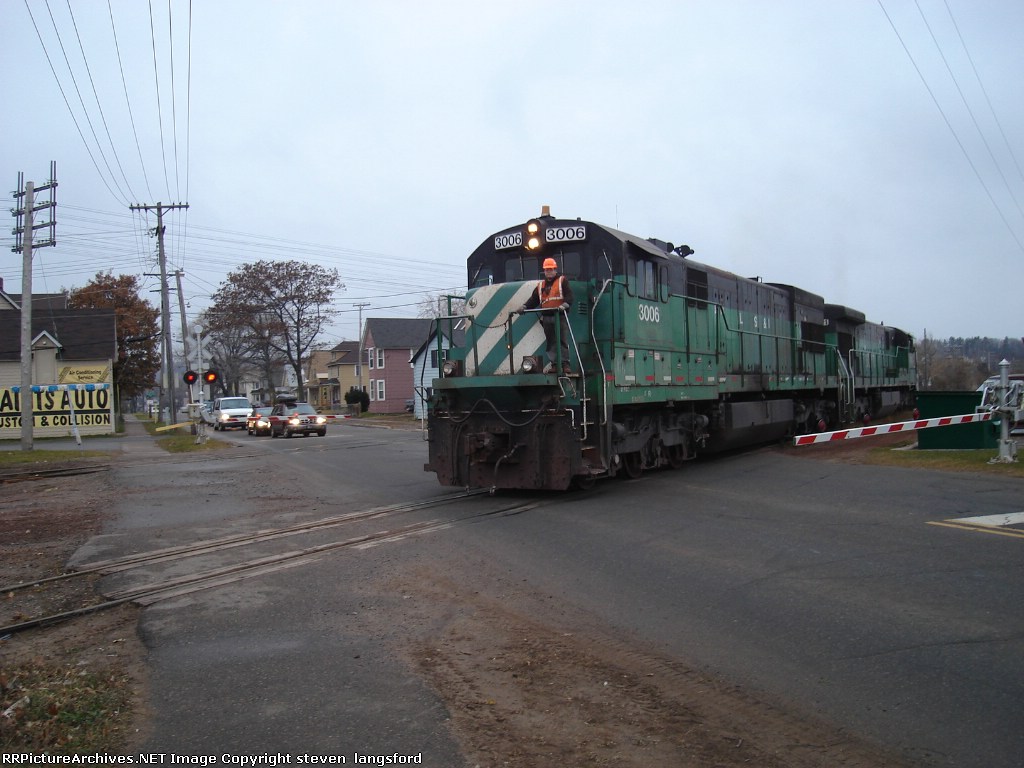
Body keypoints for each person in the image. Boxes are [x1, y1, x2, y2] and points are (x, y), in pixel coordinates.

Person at [518, 257, 574, 374]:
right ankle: (554, 364)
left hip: (560, 316)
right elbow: (533, 300)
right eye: (547, 270)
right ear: (544, 271)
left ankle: (565, 365)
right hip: (547, 317)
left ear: (555, 269)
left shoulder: (562, 281)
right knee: (551, 341)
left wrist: (565, 304)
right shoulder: (541, 286)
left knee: (562, 340)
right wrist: (524, 307)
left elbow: (569, 296)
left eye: (551, 269)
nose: (549, 272)